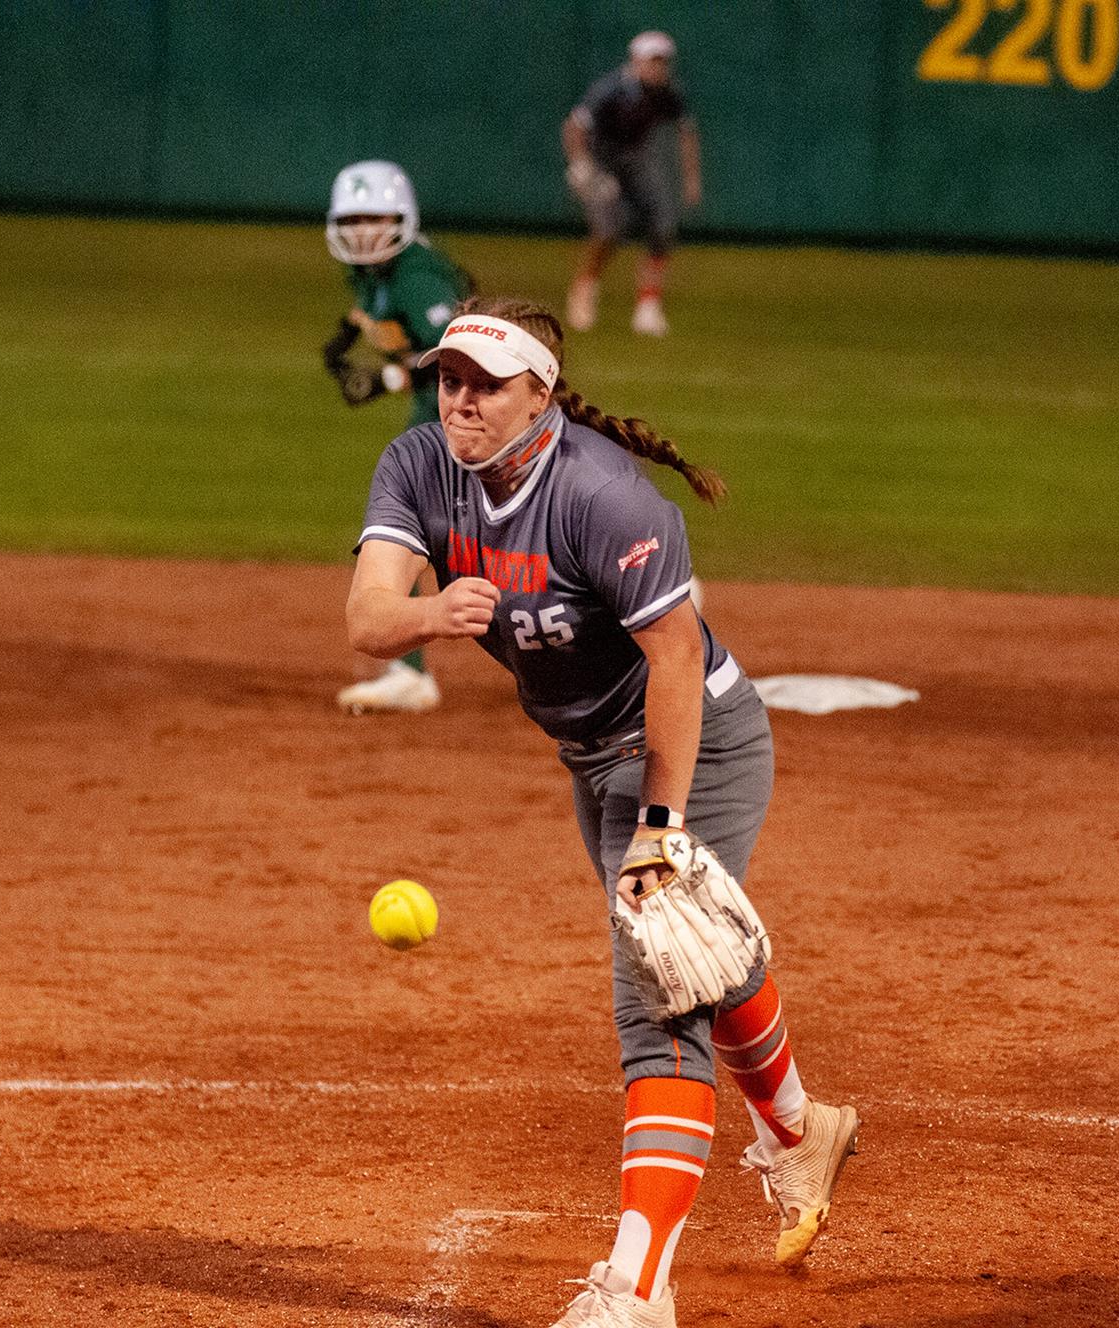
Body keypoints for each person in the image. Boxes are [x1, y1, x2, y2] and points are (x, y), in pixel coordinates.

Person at [346, 296, 859, 1327]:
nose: (459, 399)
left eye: (485, 383)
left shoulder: (601, 494)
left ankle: (636, 1288)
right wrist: (430, 612)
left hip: (689, 744)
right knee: (700, 954)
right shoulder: (417, 466)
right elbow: (366, 618)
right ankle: (801, 1130)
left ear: (540, 393)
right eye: (448, 377)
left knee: (657, 999)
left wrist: (662, 825)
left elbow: (673, 656)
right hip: (591, 763)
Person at [322, 159, 475, 715]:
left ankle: (409, 674)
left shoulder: (418, 276)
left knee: (401, 524)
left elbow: (457, 352)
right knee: (455, 529)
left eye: (375, 217)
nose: (364, 231)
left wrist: (388, 376)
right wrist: (341, 339)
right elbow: (368, 306)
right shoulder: (373, 269)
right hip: (436, 409)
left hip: (466, 411)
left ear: (402, 217)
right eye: (353, 219)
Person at [563, 30, 702, 337]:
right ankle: (584, 288)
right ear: (636, 61)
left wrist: (692, 179)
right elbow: (574, 126)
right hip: (601, 162)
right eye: (653, 61)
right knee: (609, 231)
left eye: (663, 62)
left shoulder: (667, 92)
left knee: (664, 227)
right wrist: (581, 165)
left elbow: (686, 131)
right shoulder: (610, 89)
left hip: (637, 162)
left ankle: (648, 306)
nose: (658, 68)